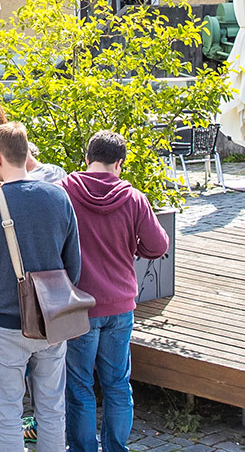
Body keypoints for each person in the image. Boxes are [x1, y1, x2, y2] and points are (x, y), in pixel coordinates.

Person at [0, 124, 79, 452]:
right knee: (51, 407)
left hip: (3, 321)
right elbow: (73, 264)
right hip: (52, 319)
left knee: (7, 411)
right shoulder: (59, 197)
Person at [63, 131, 169, 452]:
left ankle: (82, 449)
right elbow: (159, 245)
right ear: (119, 163)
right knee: (117, 384)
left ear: (86, 159)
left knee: (79, 384)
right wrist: (132, 244)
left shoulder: (65, 191)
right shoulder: (134, 198)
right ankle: (115, 448)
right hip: (120, 305)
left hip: (78, 306)